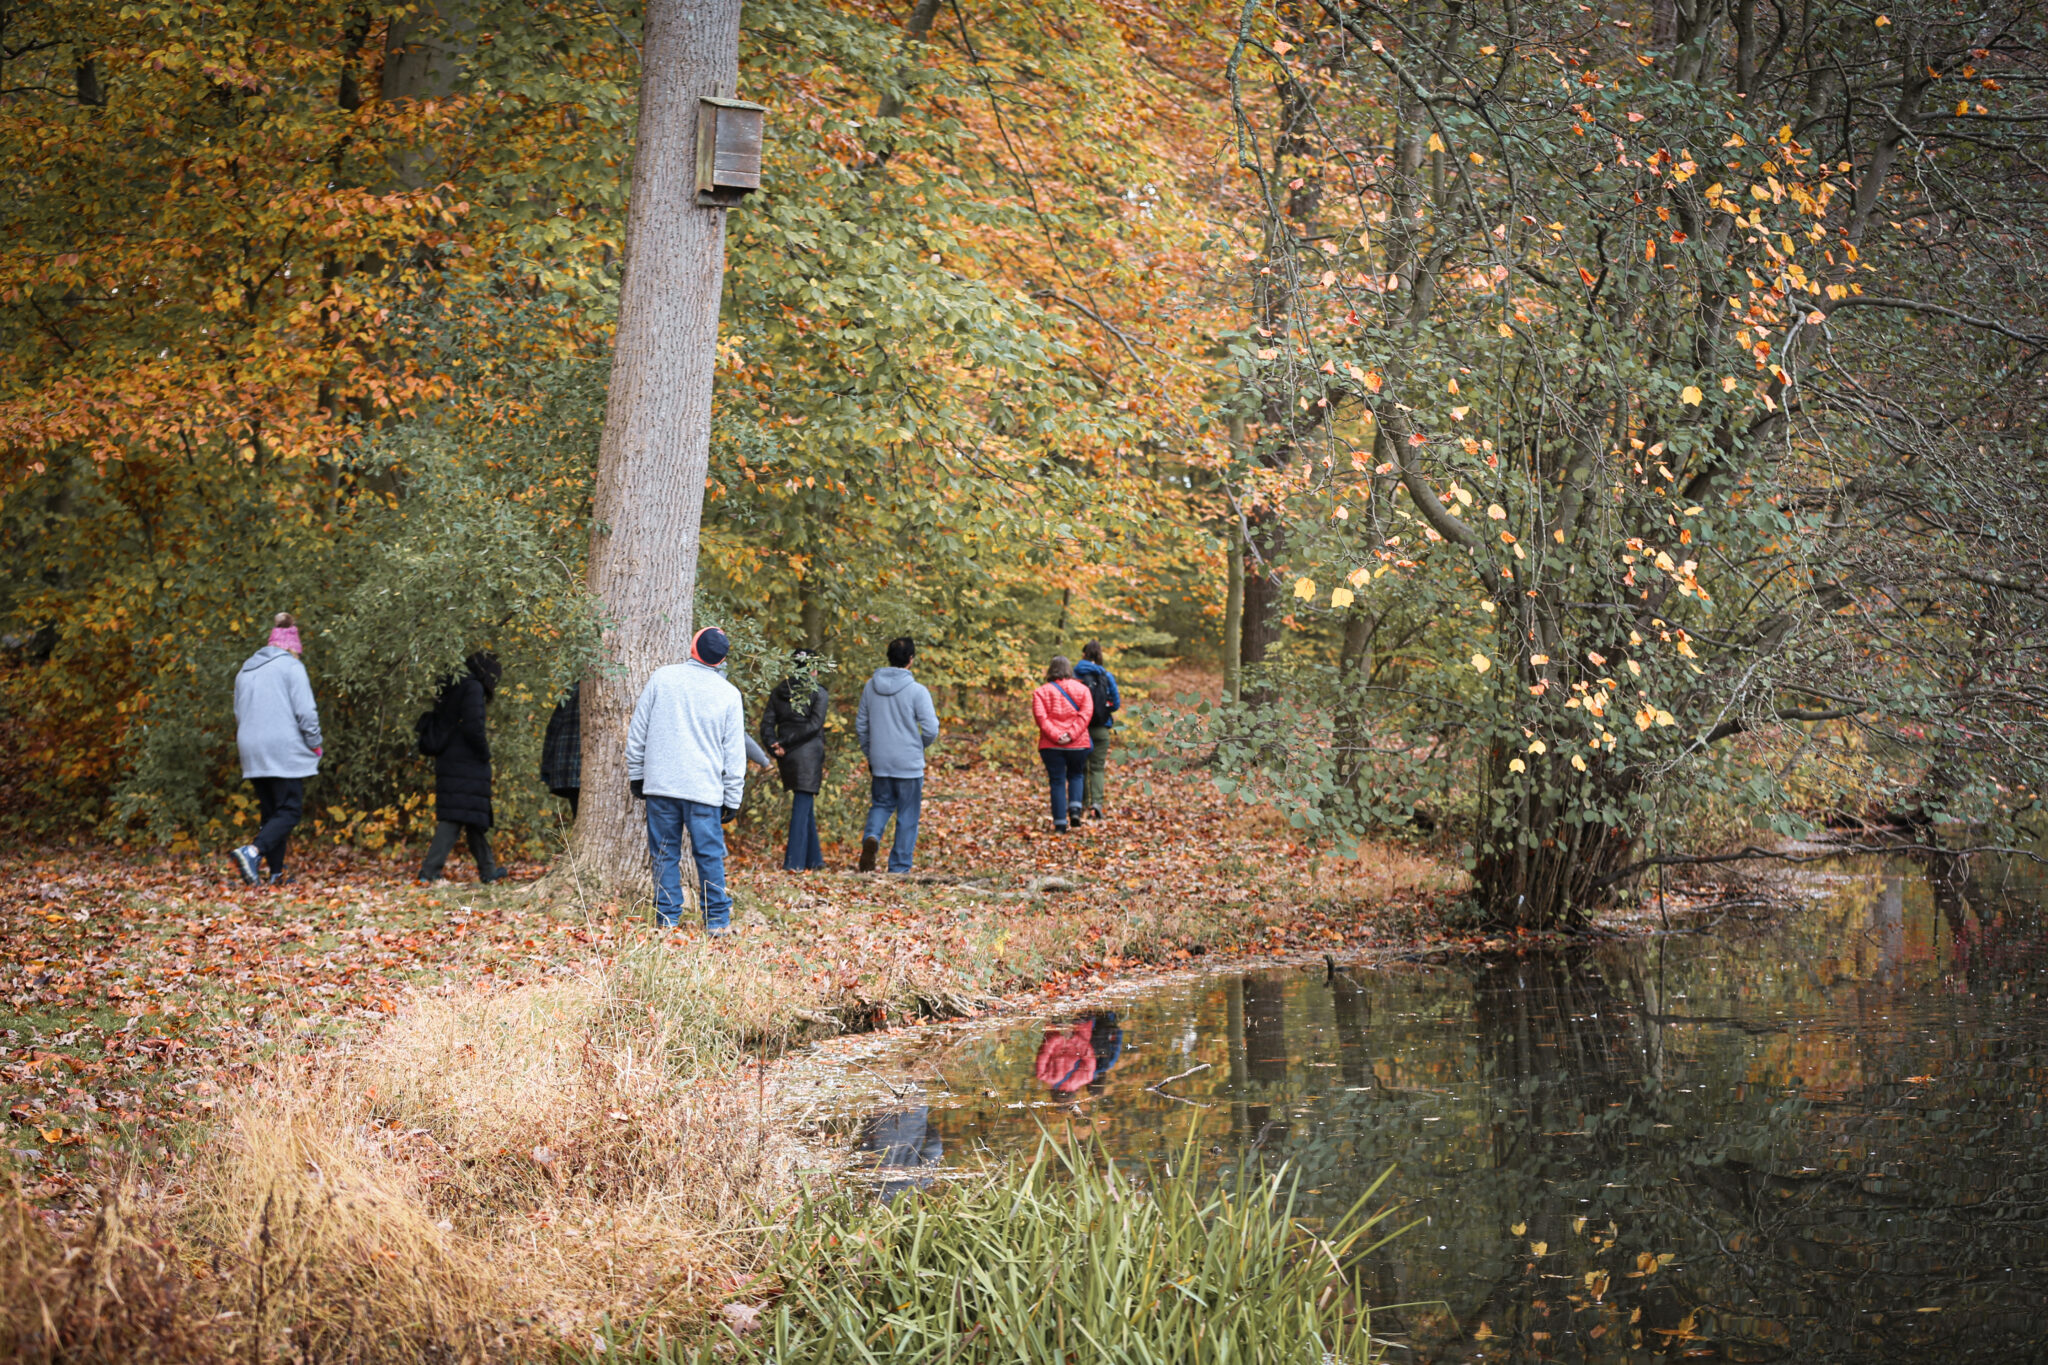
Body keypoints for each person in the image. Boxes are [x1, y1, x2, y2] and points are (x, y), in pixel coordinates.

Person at [628, 627, 746, 934]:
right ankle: (717, 921)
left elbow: (638, 732)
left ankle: (666, 919)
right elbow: (735, 754)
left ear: (693, 647)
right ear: (721, 659)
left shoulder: (662, 678)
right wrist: (733, 798)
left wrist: (637, 774)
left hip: (662, 785)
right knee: (709, 857)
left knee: (664, 854)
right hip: (704, 790)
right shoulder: (729, 694)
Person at [229, 612, 322, 886]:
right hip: (281, 747)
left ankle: (276, 873)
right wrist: (314, 743)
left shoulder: (245, 670)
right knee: (290, 809)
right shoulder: (291, 667)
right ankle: (252, 852)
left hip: (250, 748)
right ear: (293, 647)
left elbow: (238, 713)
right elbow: (306, 712)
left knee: (272, 812)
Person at [418, 651, 508, 884]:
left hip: (451, 757)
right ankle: (429, 871)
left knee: (472, 816)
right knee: (455, 817)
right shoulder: (473, 688)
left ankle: (488, 870)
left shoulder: (453, 684)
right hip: (466, 760)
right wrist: (484, 753)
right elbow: (473, 727)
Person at [855, 636, 939, 872]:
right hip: (908, 763)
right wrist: (919, 746)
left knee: (881, 805)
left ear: (888, 657)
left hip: (880, 760)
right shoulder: (917, 691)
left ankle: (872, 836)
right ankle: (899, 867)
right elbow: (931, 728)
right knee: (908, 815)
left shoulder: (870, 687)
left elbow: (861, 725)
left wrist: (871, 753)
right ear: (911, 659)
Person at [760, 651, 829, 871]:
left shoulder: (780, 691)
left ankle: (815, 860)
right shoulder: (818, 693)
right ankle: (794, 862)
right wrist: (783, 744)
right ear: (813, 669)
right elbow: (814, 725)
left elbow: (766, 723)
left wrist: (774, 744)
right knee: (801, 807)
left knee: (804, 804)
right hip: (807, 755)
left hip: (787, 755)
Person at [1031, 655, 1093, 832]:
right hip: (1078, 743)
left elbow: (1041, 719)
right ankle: (1075, 810)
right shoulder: (1083, 690)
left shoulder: (1040, 692)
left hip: (1051, 745)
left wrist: (1057, 736)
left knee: (1057, 781)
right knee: (1076, 775)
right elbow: (1085, 715)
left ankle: (1060, 824)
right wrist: (1071, 735)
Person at [1073, 640, 1122, 820]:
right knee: (1097, 768)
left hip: (1080, 728)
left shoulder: (1075, 675)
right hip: (1101, 728)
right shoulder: (1106, 676)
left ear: (1083, 654)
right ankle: (1097, 804)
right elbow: (1116, 704)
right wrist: (1103, 710)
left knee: (1081, 768)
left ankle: (1083, 804)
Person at [540, 682, 580, 817]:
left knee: (580, 815)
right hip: (586, 770)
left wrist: (547, 768)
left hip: (567, 770)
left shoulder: (572, 690)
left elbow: (553, 729)